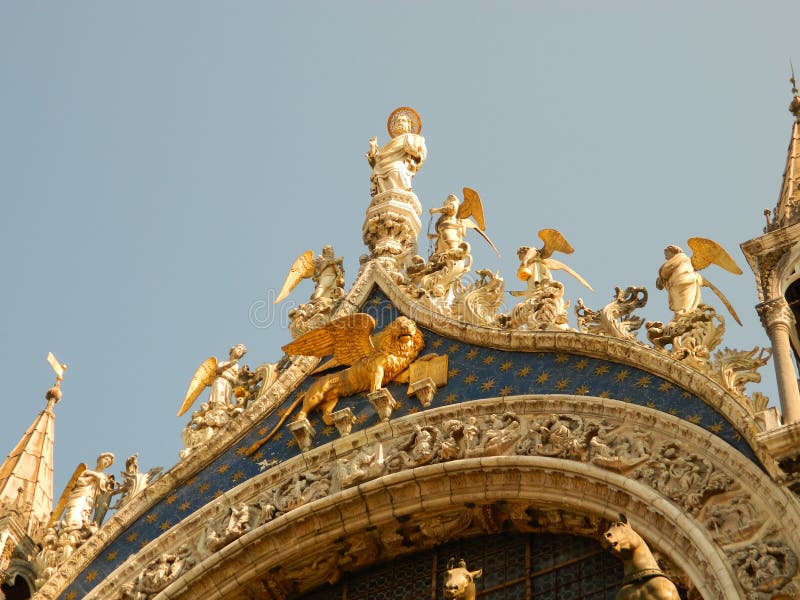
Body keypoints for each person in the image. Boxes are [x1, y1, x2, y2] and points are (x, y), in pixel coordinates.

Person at [366, 112, 427, 196]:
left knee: (397, 170)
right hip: (381, 167)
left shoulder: (415, 138)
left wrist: (412, 150)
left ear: (409, 126)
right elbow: (378, 160)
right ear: (394, 126)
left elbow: (421, 155)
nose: (400, 122)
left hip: (399, 164)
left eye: (403, 121)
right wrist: (373, 147)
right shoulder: (388, 145)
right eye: (398, 121)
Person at [61, 452, 116, 530]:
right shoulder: (86, 472)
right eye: (106, 459)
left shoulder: (103, 477)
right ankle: (69, 527)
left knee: (84, 514)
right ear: (100, 459)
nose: (107, 462)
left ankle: (77, 529)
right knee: (75, 509)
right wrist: (93, 477)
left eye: (109, 462)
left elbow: (104, 491)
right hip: (79, 495)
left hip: (90, 499)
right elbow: (78, 482)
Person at [655, 245, 703, 316]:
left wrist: (661, 277)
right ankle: (685, 313)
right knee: (686, 298)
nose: (666, 258)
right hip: (684, 281)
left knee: (683, 298)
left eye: (667, 255)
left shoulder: (680, 257)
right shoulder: (684, 259)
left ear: (672, 251)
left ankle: (683, 313)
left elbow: (665, 270)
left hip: (682, 281)